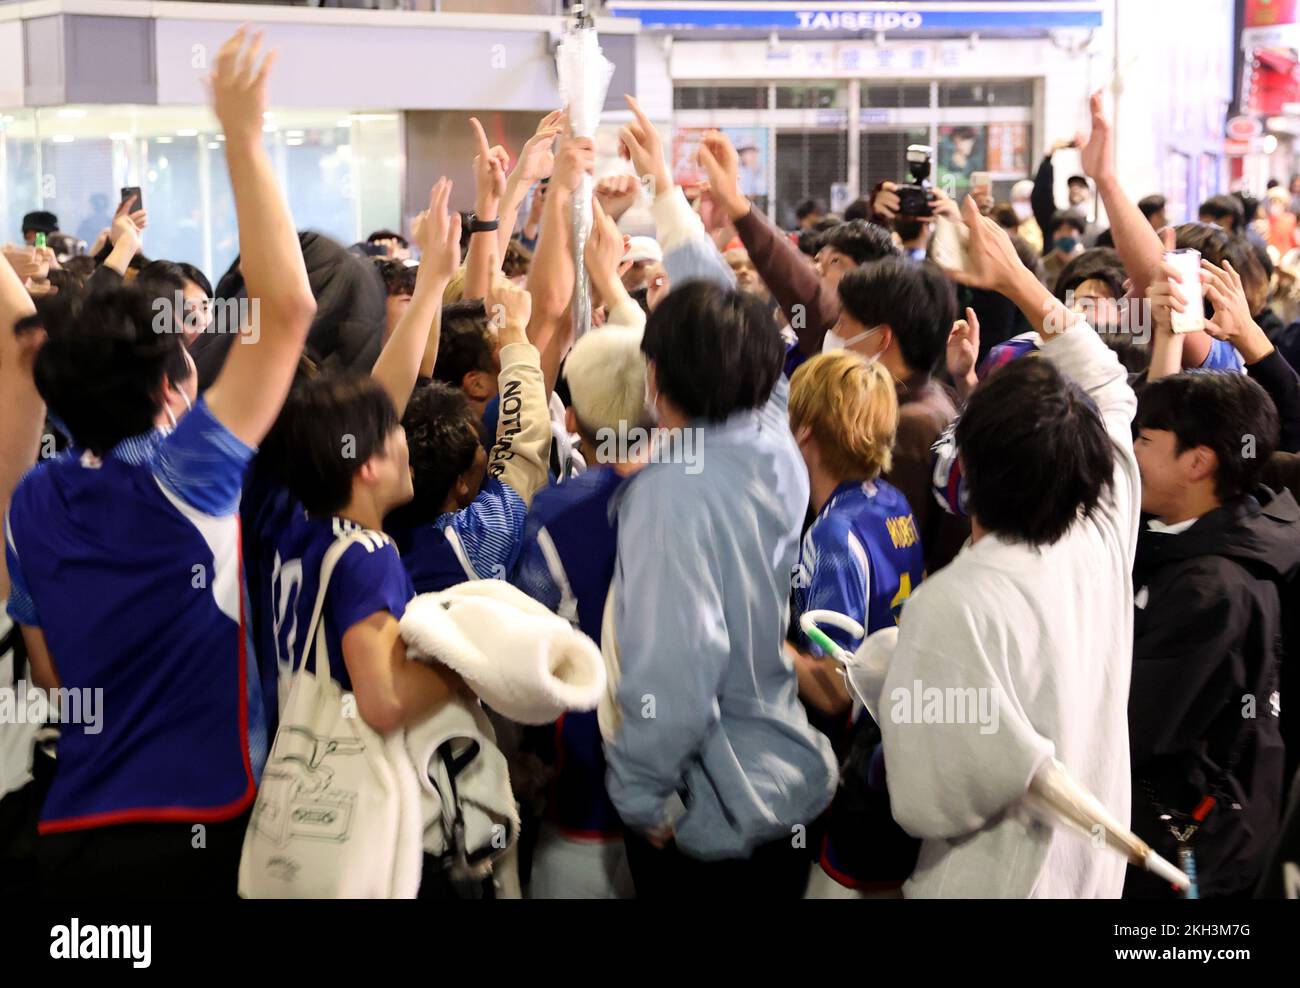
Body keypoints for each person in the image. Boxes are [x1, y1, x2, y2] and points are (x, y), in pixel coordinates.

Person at [3, 29, 317, 897]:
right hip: (205, 827)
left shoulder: (31, 503)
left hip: (72, 828)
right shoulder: (192, 478)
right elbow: (288, 310)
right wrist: (242, 134)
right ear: (174, 389)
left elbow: (49, 678)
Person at [871, 194, 1139, 898]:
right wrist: (1020, 281)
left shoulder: (956, 600)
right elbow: (1109, 387)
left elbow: (926, 800)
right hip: (1092, 875)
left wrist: (888, 683)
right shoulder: (1103, 524)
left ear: (968, 468)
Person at [1125, 369, 1299, 898]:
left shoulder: (1213, 590)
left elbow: (1134, 729)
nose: (1129, 452)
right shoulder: (1222, 536)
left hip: (1188, 848)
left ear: (1198, 463)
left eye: (1145, 441)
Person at [512, 326, 650, 900]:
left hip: (580, 784)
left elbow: (527, 646)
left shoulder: (555, 511)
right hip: (678, 788)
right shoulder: (694, 495)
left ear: (570, 420)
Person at [784, 350, 926, 897]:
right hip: (889, 750)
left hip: (851, 772)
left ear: (806, 431)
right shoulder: (891, 499)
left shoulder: (833, 534)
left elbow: (833, 690)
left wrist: (761, 641)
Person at [828, 256, 967, 572]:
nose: (835, 332)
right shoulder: (936, 396)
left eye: (843, 321)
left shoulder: (906, 424)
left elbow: (892, 553)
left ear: (881, 337)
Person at [1041, 210, 1087, 291]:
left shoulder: (1089, 262)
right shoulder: (1043, 265)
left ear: (1080, 232)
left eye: (1070, 229)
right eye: (1059, 229)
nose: (1064, 234)